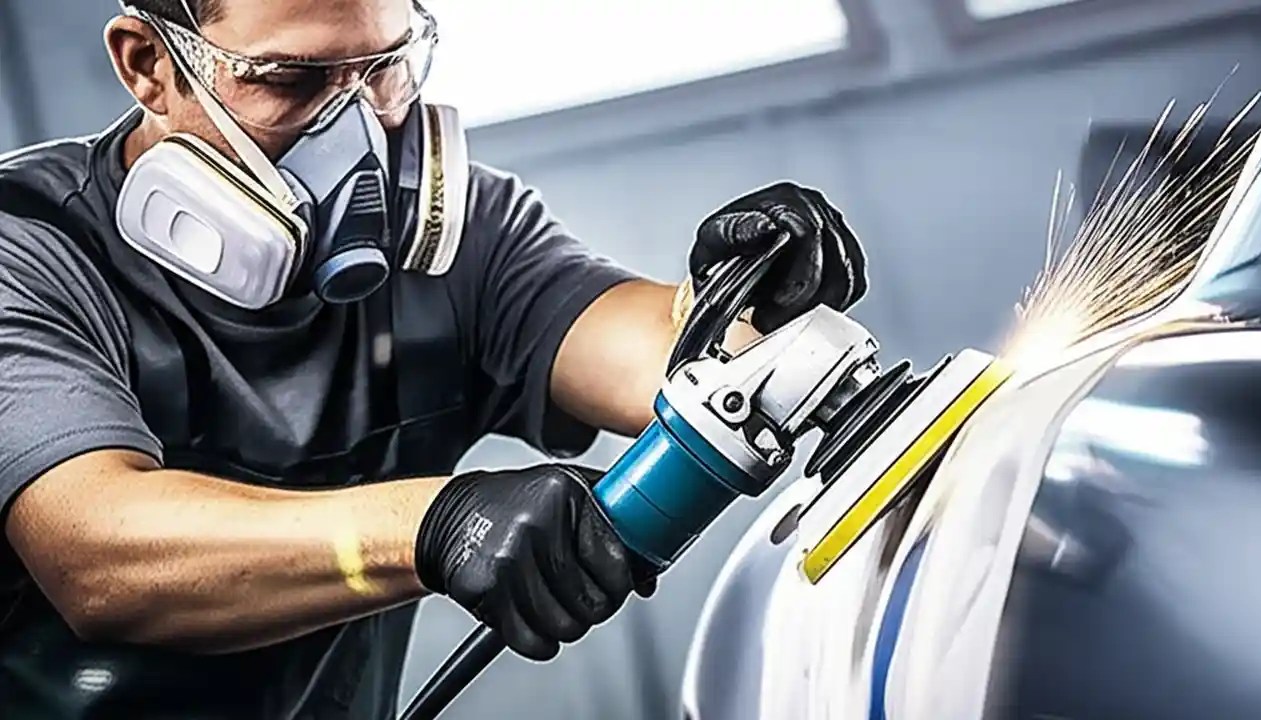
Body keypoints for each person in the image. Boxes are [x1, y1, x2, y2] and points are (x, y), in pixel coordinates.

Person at [0, 0, 868, 718]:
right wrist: (433, 526)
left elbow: (671, 365)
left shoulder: (457, 244)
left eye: (382, 70)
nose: (358, 135)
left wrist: (747, 313)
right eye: (294, 81)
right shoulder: (28, 249)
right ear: (149, 63)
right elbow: (95, 552)